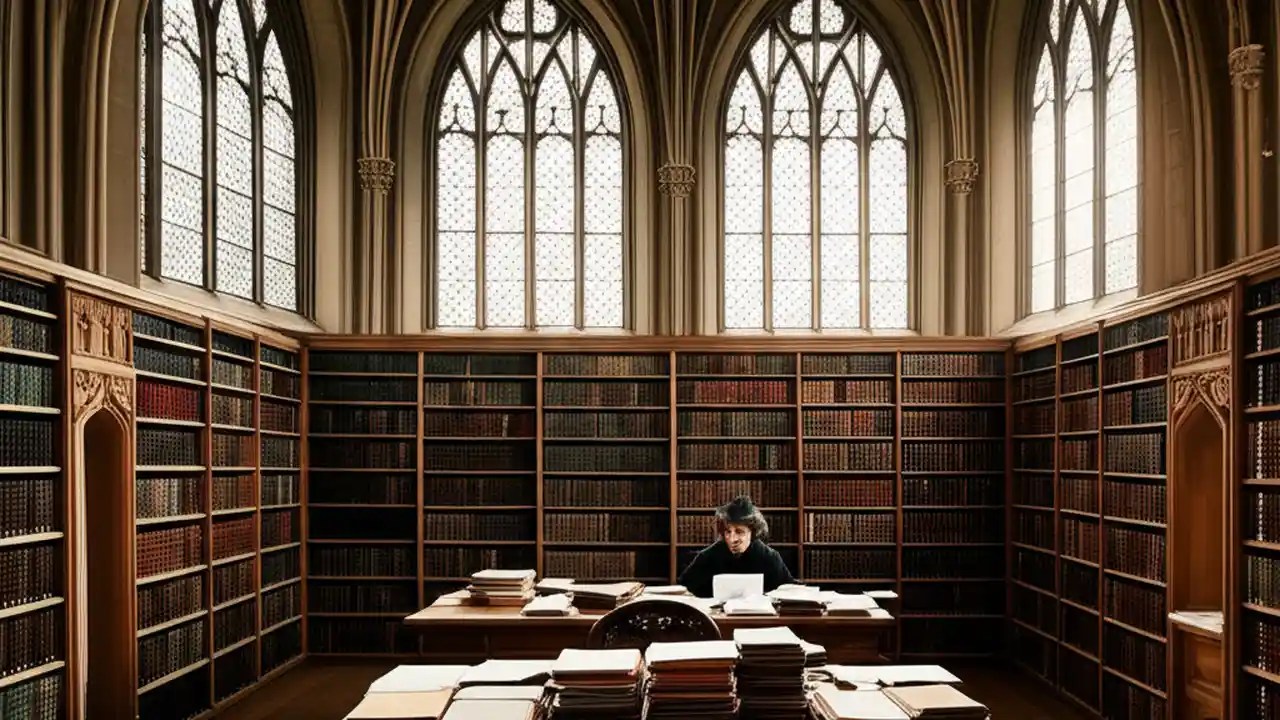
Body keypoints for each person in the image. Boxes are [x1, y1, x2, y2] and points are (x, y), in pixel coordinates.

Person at [677, 494, 796, 598]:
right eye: (728, 532)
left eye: (739, 532)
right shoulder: (708, 556)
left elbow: (790, 591)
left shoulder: (770, 558)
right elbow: (683, 589)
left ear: (753, 532)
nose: (732, 539)